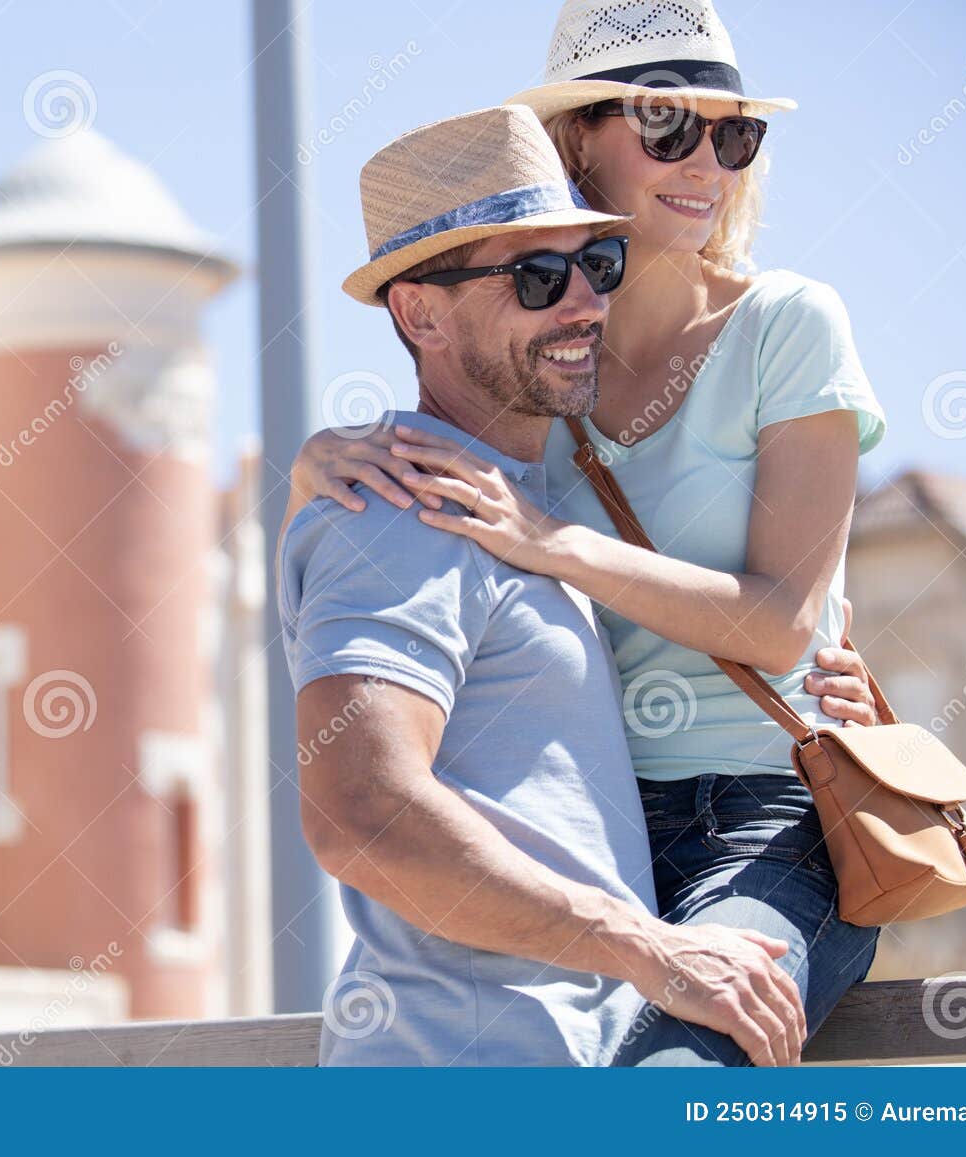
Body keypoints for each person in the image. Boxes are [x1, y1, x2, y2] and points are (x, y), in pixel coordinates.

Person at [286, 0, 885, 1065]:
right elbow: (400, 550)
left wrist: (550, 542)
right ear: (579, 143)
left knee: (668, 1085)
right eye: (667, 123)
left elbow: (786, 622)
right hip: (603, 856)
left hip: (756, 815)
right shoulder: (541, 372)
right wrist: (311, 467)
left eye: (732, 132)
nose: (706, 160)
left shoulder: (784, 324)